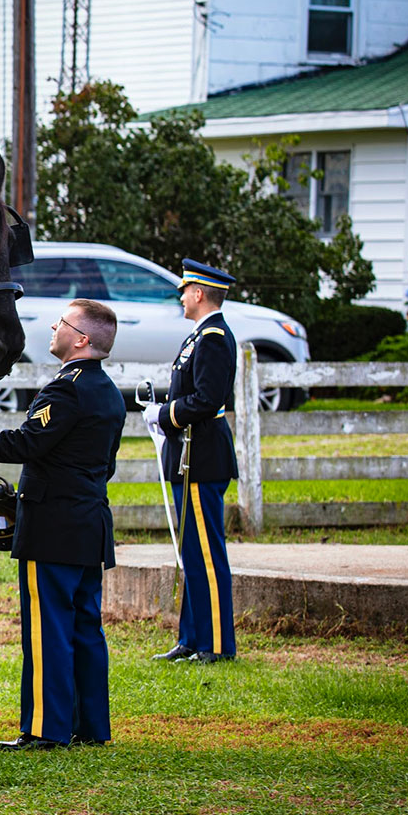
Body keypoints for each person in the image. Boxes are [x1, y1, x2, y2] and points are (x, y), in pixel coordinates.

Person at [0, 299, 126, 751]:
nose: (54, 327)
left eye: (63, 322)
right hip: (88, 523)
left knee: (48, 629)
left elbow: (26, 444)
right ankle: (91, 726)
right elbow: (105, 464)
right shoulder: (108, 392)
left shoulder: (67, 389)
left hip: (53, 525)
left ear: (81, 339)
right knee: (84, 628)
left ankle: (45, 729)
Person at [144, 259, 239, 665]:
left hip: (201, 458)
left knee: (206, 554)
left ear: (199, 293)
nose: (181, 296)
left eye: (185, 290)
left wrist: (164, 415)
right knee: (191, 555)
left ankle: (215, 643)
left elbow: (207, 400)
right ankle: (192, 637)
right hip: (187, 456)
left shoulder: (214, 337)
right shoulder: (198, 336)